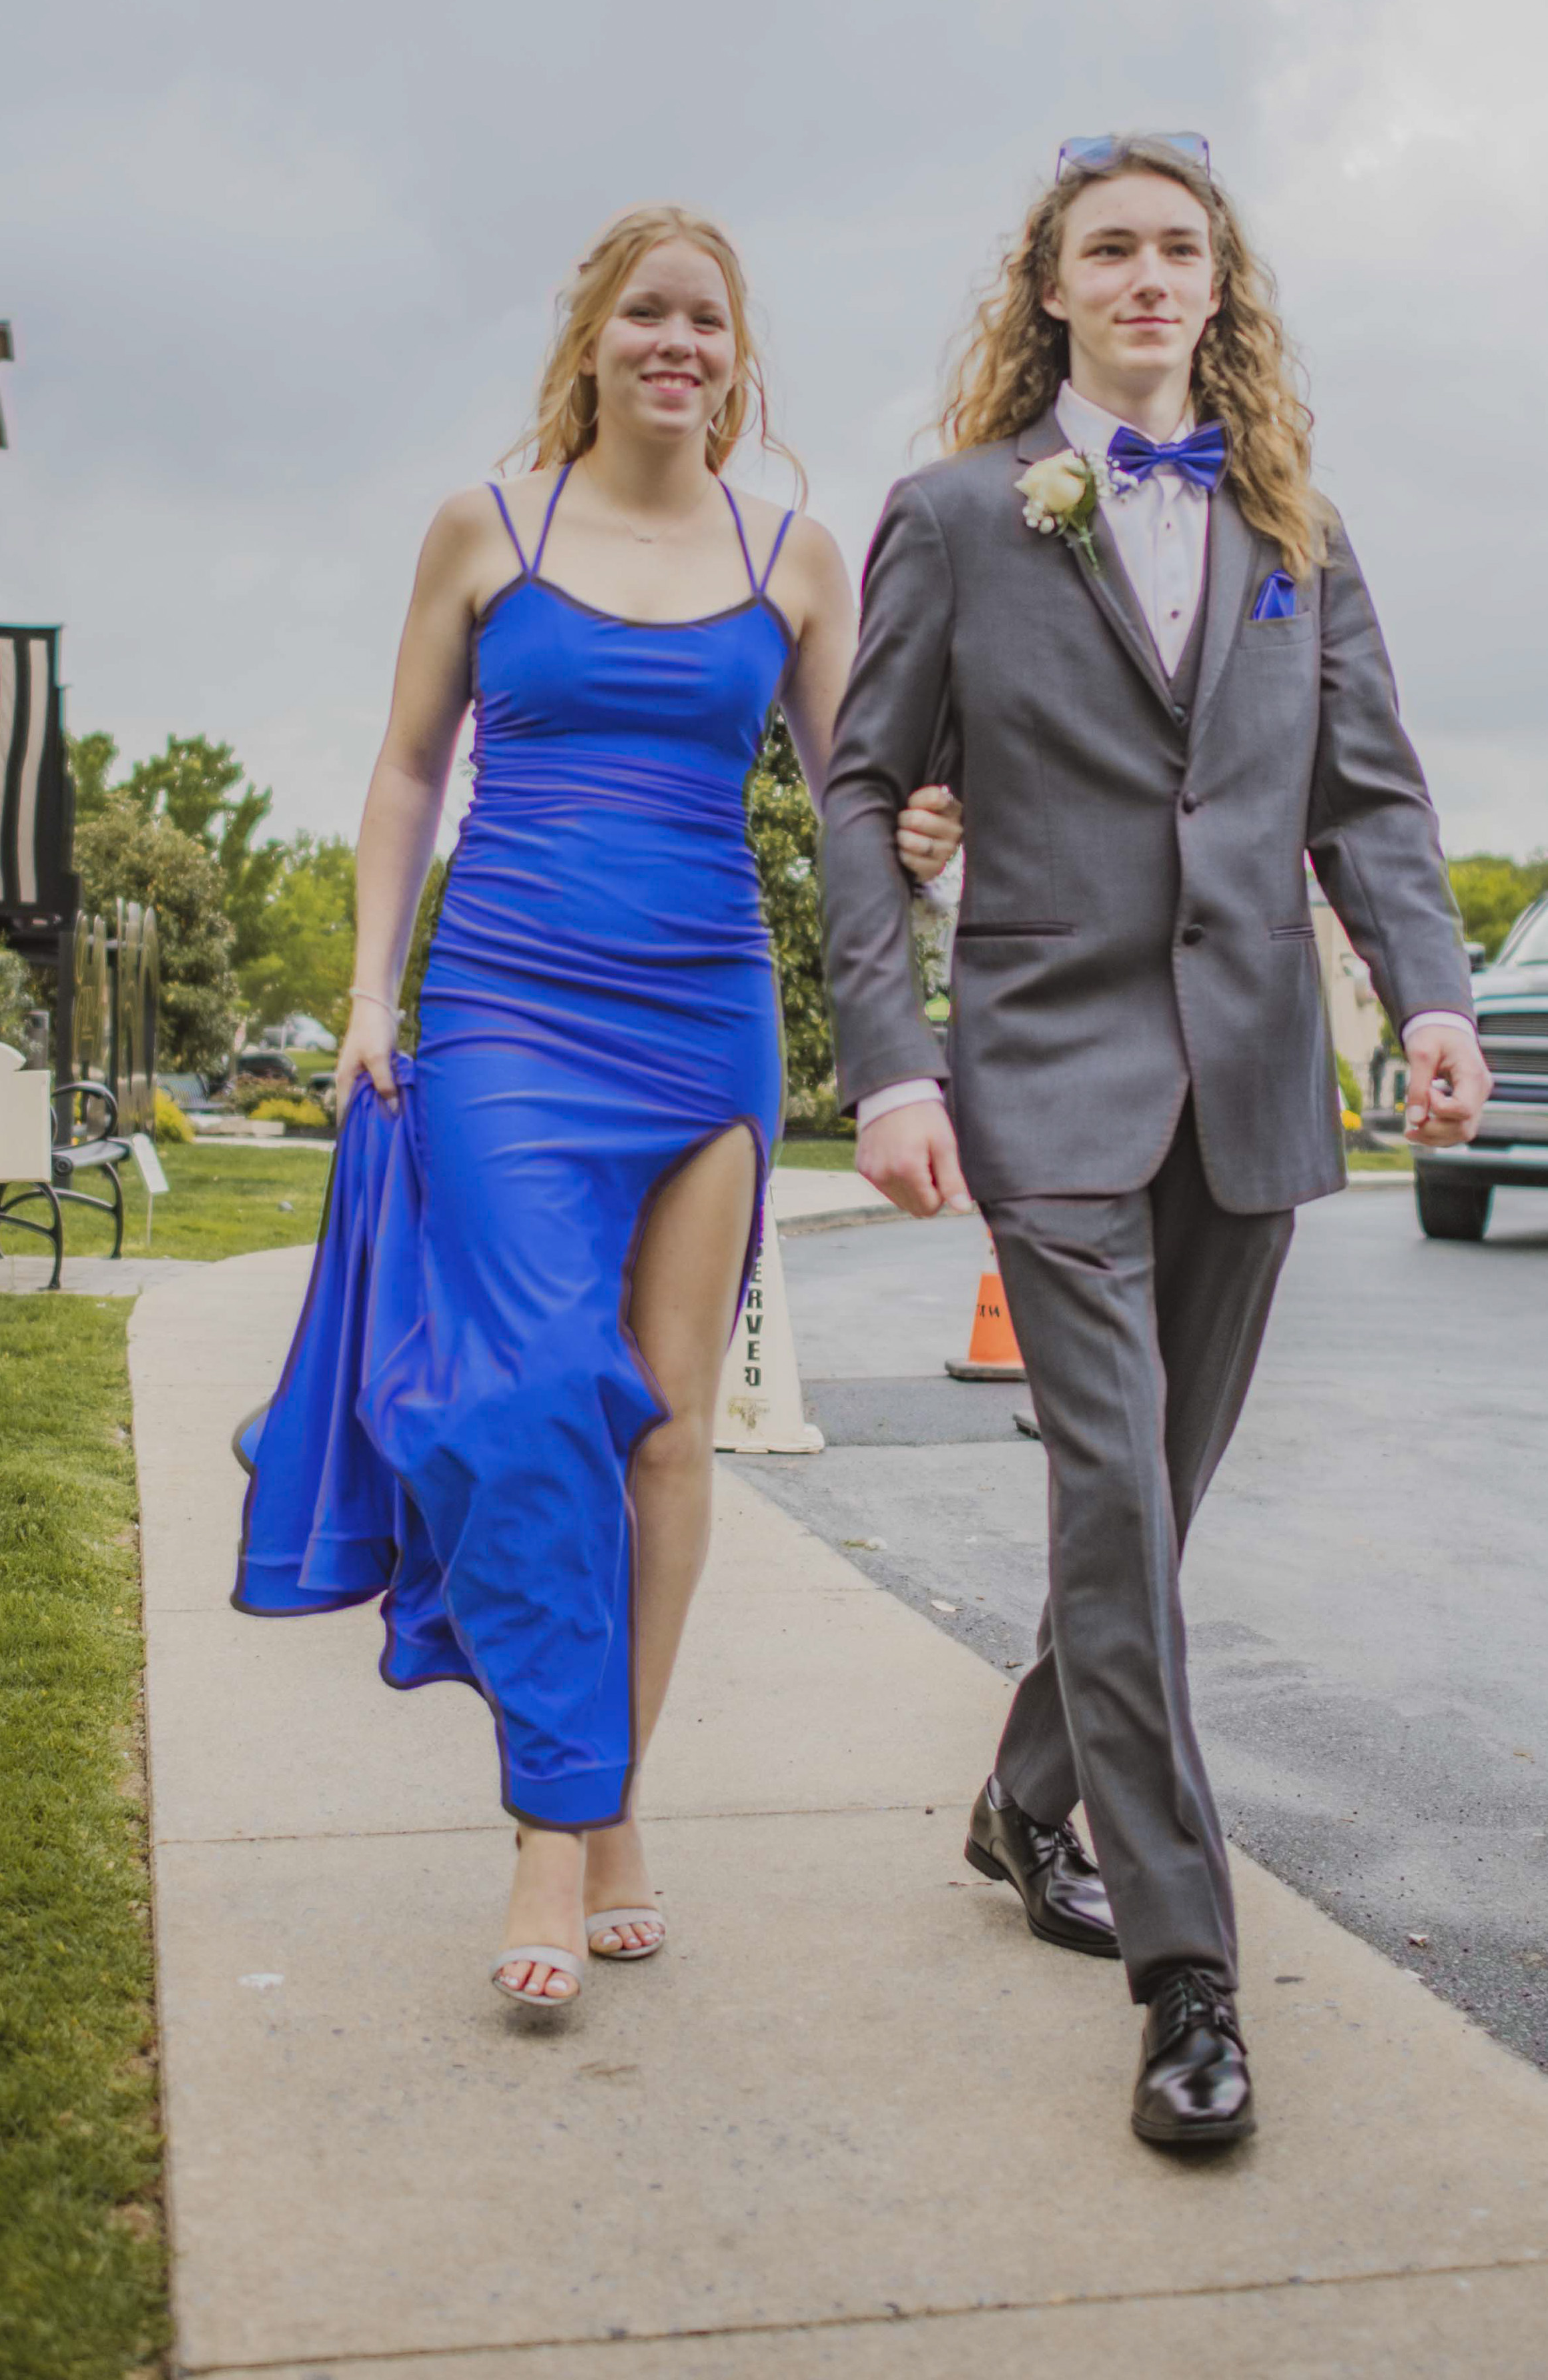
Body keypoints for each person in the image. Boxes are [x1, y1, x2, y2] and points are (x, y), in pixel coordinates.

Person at [819, 135, 1489, 2145]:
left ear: (1217, 285)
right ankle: (1188, 1970)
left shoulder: (1297, 528)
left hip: (1255, 1077)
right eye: (1106, 248)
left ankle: (1025, 1795)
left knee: (1154, 1505)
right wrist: (892, 1060)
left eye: (1176, 248)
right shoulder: (956, 514)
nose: (1143, 276)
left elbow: (1369, 796)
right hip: (1045, 1073)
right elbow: (863, 790)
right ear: (1050, 287)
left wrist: (1434, 998)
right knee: (1112, 1497)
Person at [232, 205, 961, 2014]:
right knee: (529, 1392)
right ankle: (554, 1819)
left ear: (736, 354)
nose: (677, 342)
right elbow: (408, 767)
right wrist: (370, 992)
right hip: (504, 1009)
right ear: (592, 337)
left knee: (671, 1434)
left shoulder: (795, 556)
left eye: (706, 319)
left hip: (705, 1020)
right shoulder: (490, 529)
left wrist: (927, 839)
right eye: (647, 312)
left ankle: (602, 1803)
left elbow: (855, 800)